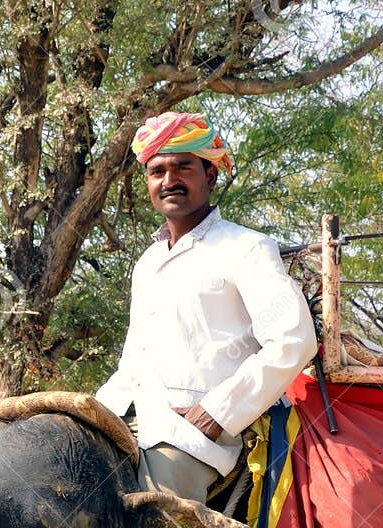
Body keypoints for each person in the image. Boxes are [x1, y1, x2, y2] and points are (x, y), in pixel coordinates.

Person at [95, 110, 319, 505]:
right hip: (119, 416)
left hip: (190, 434)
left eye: (183, 167)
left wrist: (218, 412)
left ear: (210, 176)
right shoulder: (147, 262)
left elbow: (294, 340)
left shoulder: (246, 248)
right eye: (157, 171)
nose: (169, 180)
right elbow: (133, 362)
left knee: (156, 527)